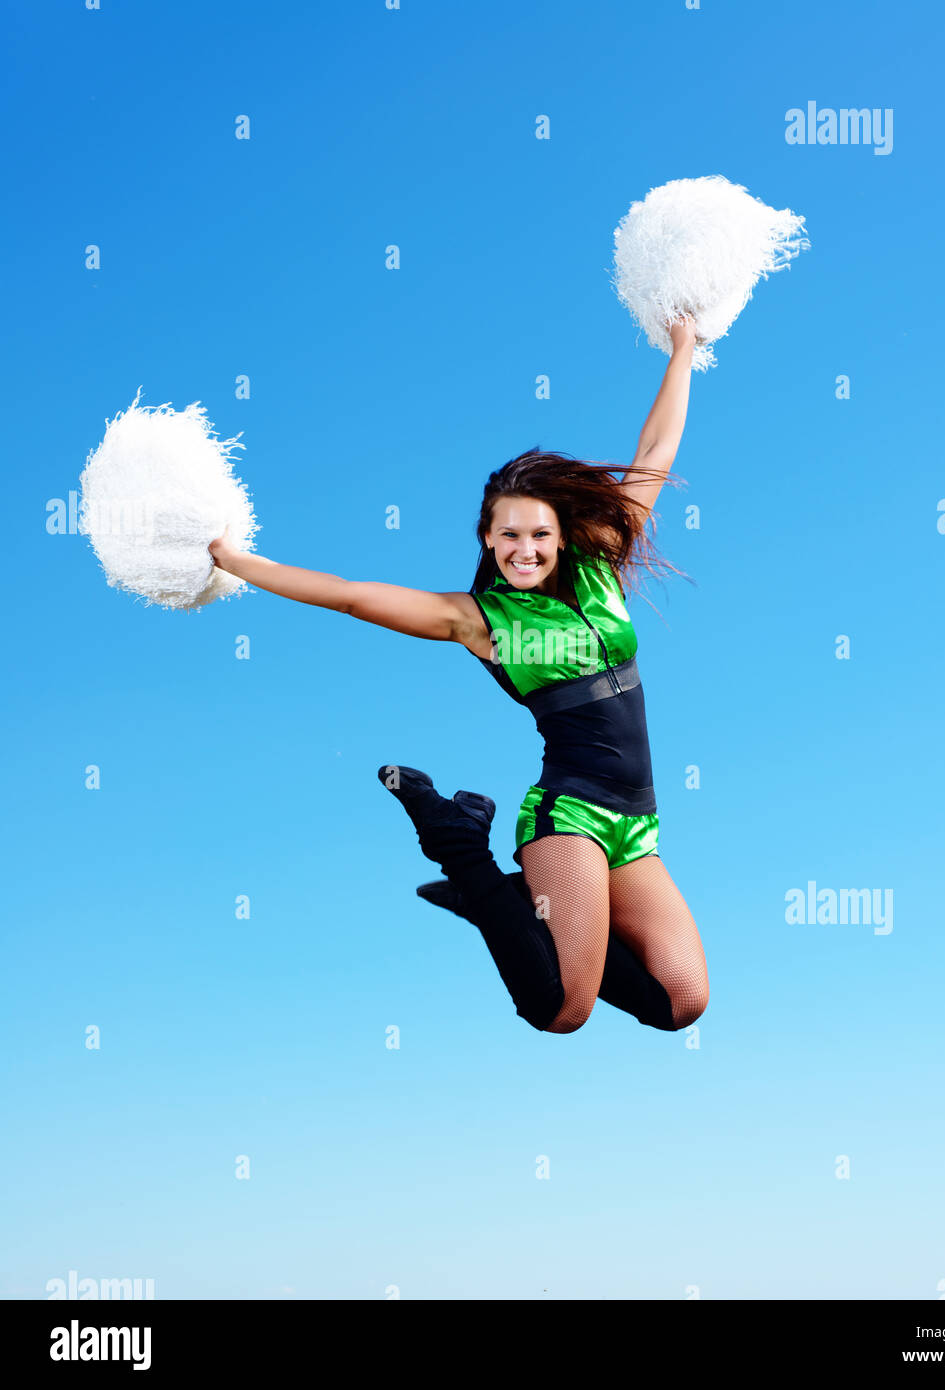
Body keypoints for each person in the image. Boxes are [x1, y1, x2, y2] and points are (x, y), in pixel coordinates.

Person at [209, 317, 710, 1035]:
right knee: (560, 1010)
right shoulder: (477, 619)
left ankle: (494, 903)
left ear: (561, 534)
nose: (524, 548)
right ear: (488, 538)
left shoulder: (599, 566)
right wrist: (239, 562)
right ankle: (460, 846)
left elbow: (655, 451)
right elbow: (350, 594)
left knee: (679, 1002)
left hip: (637, 820)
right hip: (569, 814)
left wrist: (685, 346)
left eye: (538, 533)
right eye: (508, 534)